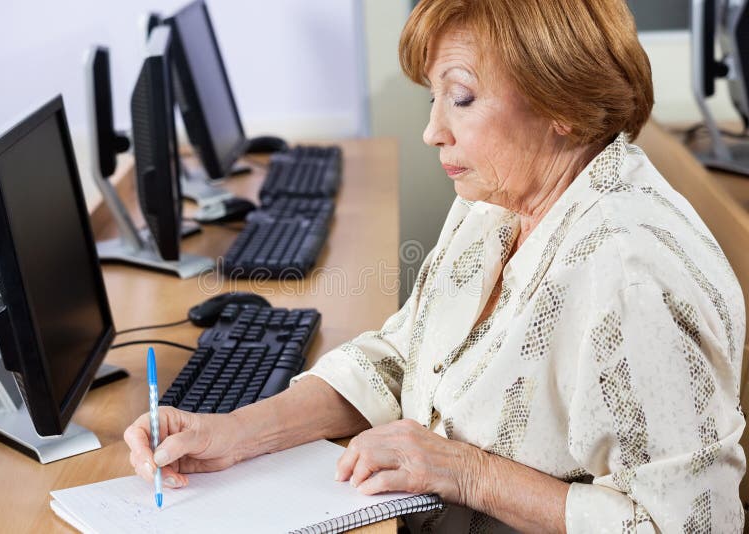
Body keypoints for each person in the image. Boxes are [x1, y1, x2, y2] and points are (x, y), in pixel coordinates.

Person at [124, 0, 747, 531]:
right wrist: (231, 434)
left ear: (564, 102)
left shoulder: (631, 278)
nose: (432, 132)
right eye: (435, 98)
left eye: (463, 99)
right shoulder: (497, 201)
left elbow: (689, 524)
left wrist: (469, 473)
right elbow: (404, 356)